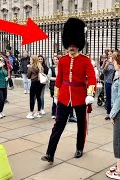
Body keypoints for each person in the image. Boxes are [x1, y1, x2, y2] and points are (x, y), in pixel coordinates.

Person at [41, 18, 96, 163]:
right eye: (69, 45)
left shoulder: (85, 60)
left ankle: (79, 147)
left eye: (73, 45)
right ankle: (50, 153)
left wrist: (90, 94)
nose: (71, 47)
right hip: (64, 96)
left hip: (79, 96)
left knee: (81, 125)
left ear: (78, 45)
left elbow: (91, 78)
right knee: (58, 125)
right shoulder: (63, 60)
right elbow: (59, 79)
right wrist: (56, 95)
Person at [26, 55, 46, 119]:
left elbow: (28, 76)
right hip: (40, 83)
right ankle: (38, 112)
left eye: (31, 59)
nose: (30, 61)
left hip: (34, 83)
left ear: (33, 60)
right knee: (38, 97)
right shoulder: (41, 67)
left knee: (32, 97)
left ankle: (31, 112)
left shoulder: (31, 67)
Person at [101, 54, 116, 120]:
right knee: (108, 98)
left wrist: (114, 64)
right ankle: (108, 113)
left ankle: (114, 112)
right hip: (108, 83)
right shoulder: (108, 64)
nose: (111, 58)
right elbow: (104, 72)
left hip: (115, 83)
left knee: (115, 98)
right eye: (110, 57)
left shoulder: (117, 64)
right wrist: (107, 64)